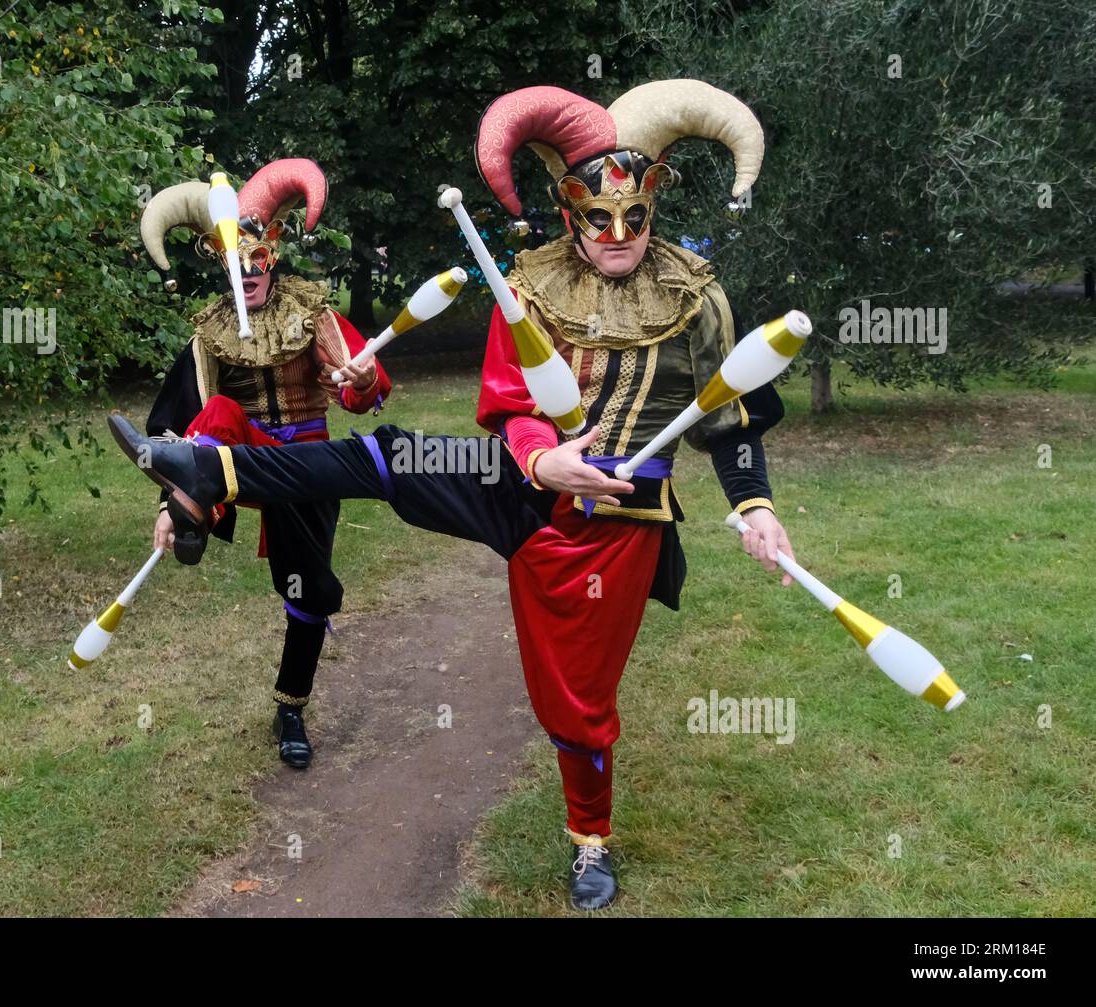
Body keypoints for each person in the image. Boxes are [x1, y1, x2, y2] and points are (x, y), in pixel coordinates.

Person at [114, 80, 795, 910]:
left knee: (575, 703)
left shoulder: (697, 297)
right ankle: (207, 472)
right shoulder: (532, 288)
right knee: (388, 458)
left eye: (636, 219)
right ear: (568, 211)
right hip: (516, 482)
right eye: (596, 219)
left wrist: (755, 507)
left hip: (614, 519)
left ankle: (589, 842)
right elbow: (511, 404)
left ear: (655, 206)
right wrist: (542, 461)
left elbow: (728, 422)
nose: (617, 237)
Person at [138, 159, 392, 768]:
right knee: (221, 408)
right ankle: (192, 506)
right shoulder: (210, 334)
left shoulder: (312, 313)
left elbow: (366, 392)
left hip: (308, 465)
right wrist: (164, 496)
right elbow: (179, 422)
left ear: (273, 254)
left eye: (255, 260)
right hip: (245, 462)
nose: (245, 273)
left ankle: (291, 706)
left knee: (306, 589)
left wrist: (357, 381)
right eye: (231, 263)